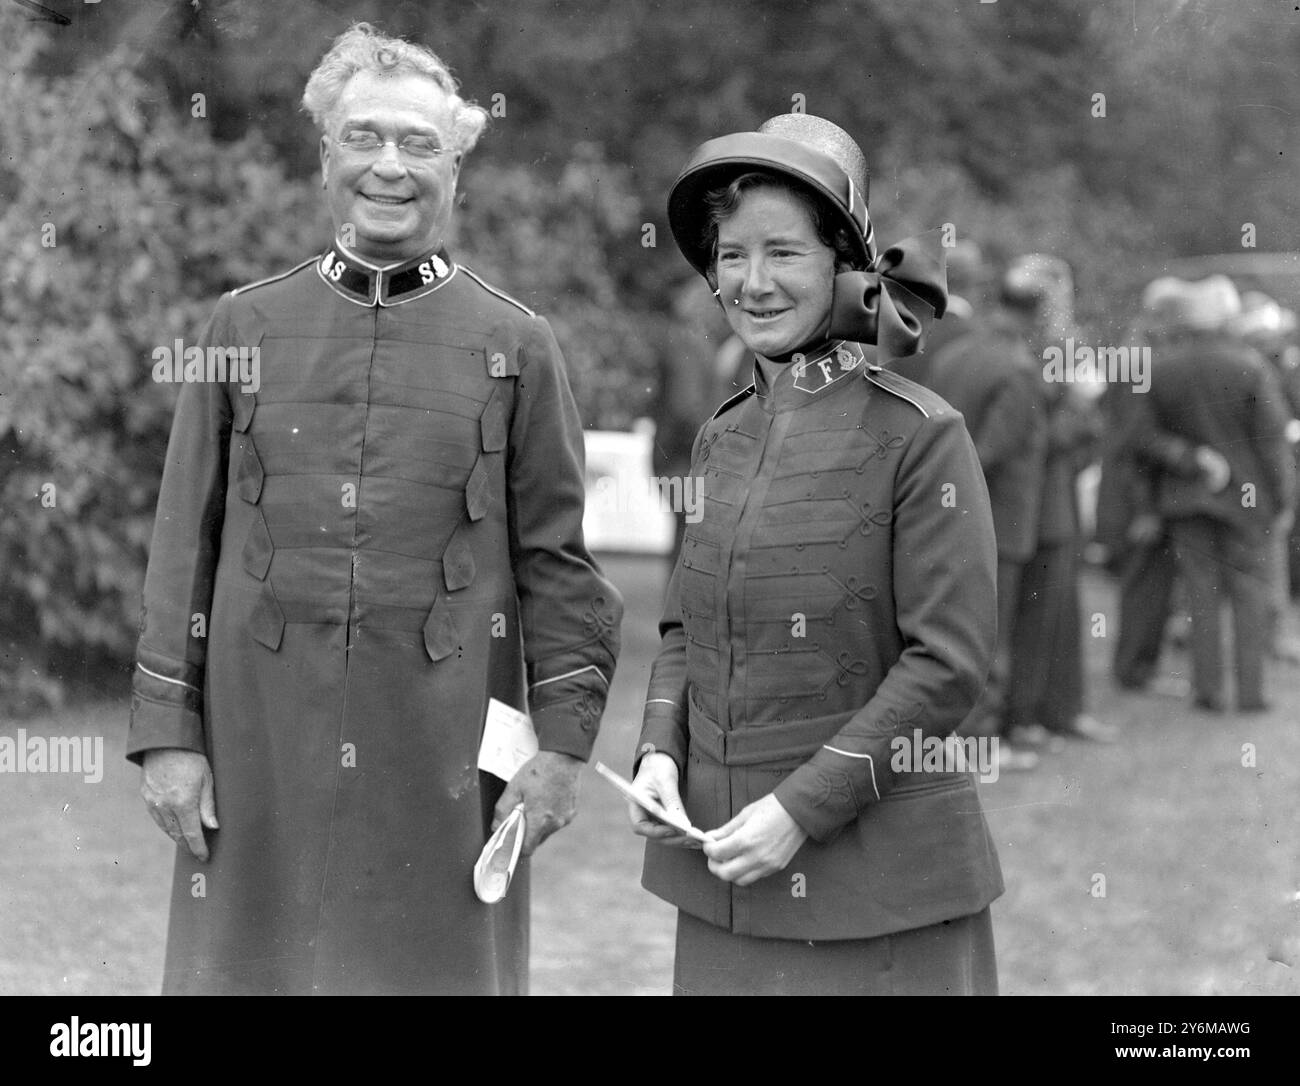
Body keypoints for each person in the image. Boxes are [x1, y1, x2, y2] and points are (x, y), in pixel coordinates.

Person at [128, 23, 622, 995]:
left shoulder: (518, 344)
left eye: (417, 144)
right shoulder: (242, 328)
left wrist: (562, 751)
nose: (388, 167)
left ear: (456, 169)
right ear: (324, 160)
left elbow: (556, 562)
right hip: (259, 742)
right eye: (363, 139)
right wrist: (169, 736)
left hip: (439, 759)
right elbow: (183, 541)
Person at [626, 113, 1003, 995]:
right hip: (722, 877)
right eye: (731, 256)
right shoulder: (721, 437)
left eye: (784, 254)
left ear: (844, 262)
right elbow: (684, 624)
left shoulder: (921, 433)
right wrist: (657, 751)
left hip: (878, 896)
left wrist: (799, 811)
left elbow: (947, 664)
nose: (751, 283)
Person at [1132, 276, 1295, 711]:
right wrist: (1283, 501)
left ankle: (1207, 691)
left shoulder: (1163, 367)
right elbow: (1272, 441)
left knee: (1200, 593)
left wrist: (1189, 457)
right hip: (1247, 500)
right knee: (1249, 593)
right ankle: (1251, 693)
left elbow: (1144, 438)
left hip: (1188, 499)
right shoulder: (1250, 366)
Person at [913, 257, 1048, 772]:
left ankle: (949, 735)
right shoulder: (1017, 368)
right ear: (1035, 315)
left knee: (954, 628)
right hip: (1001, 518)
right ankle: (981, 741)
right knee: (992, 636)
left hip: (946, 511)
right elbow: (993, 450)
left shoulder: (955, 355)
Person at [999, 255, 1118, 749]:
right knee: (1033, 615)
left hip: (1057, 499)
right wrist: (1080, 414)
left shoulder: (1062, 347)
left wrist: (1085, 415)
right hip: (1036, 500)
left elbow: (1087, 428)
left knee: (1062, 614)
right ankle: (1024, 718)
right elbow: (1038, 431)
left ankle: (1061, 710)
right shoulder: (1028, 350)